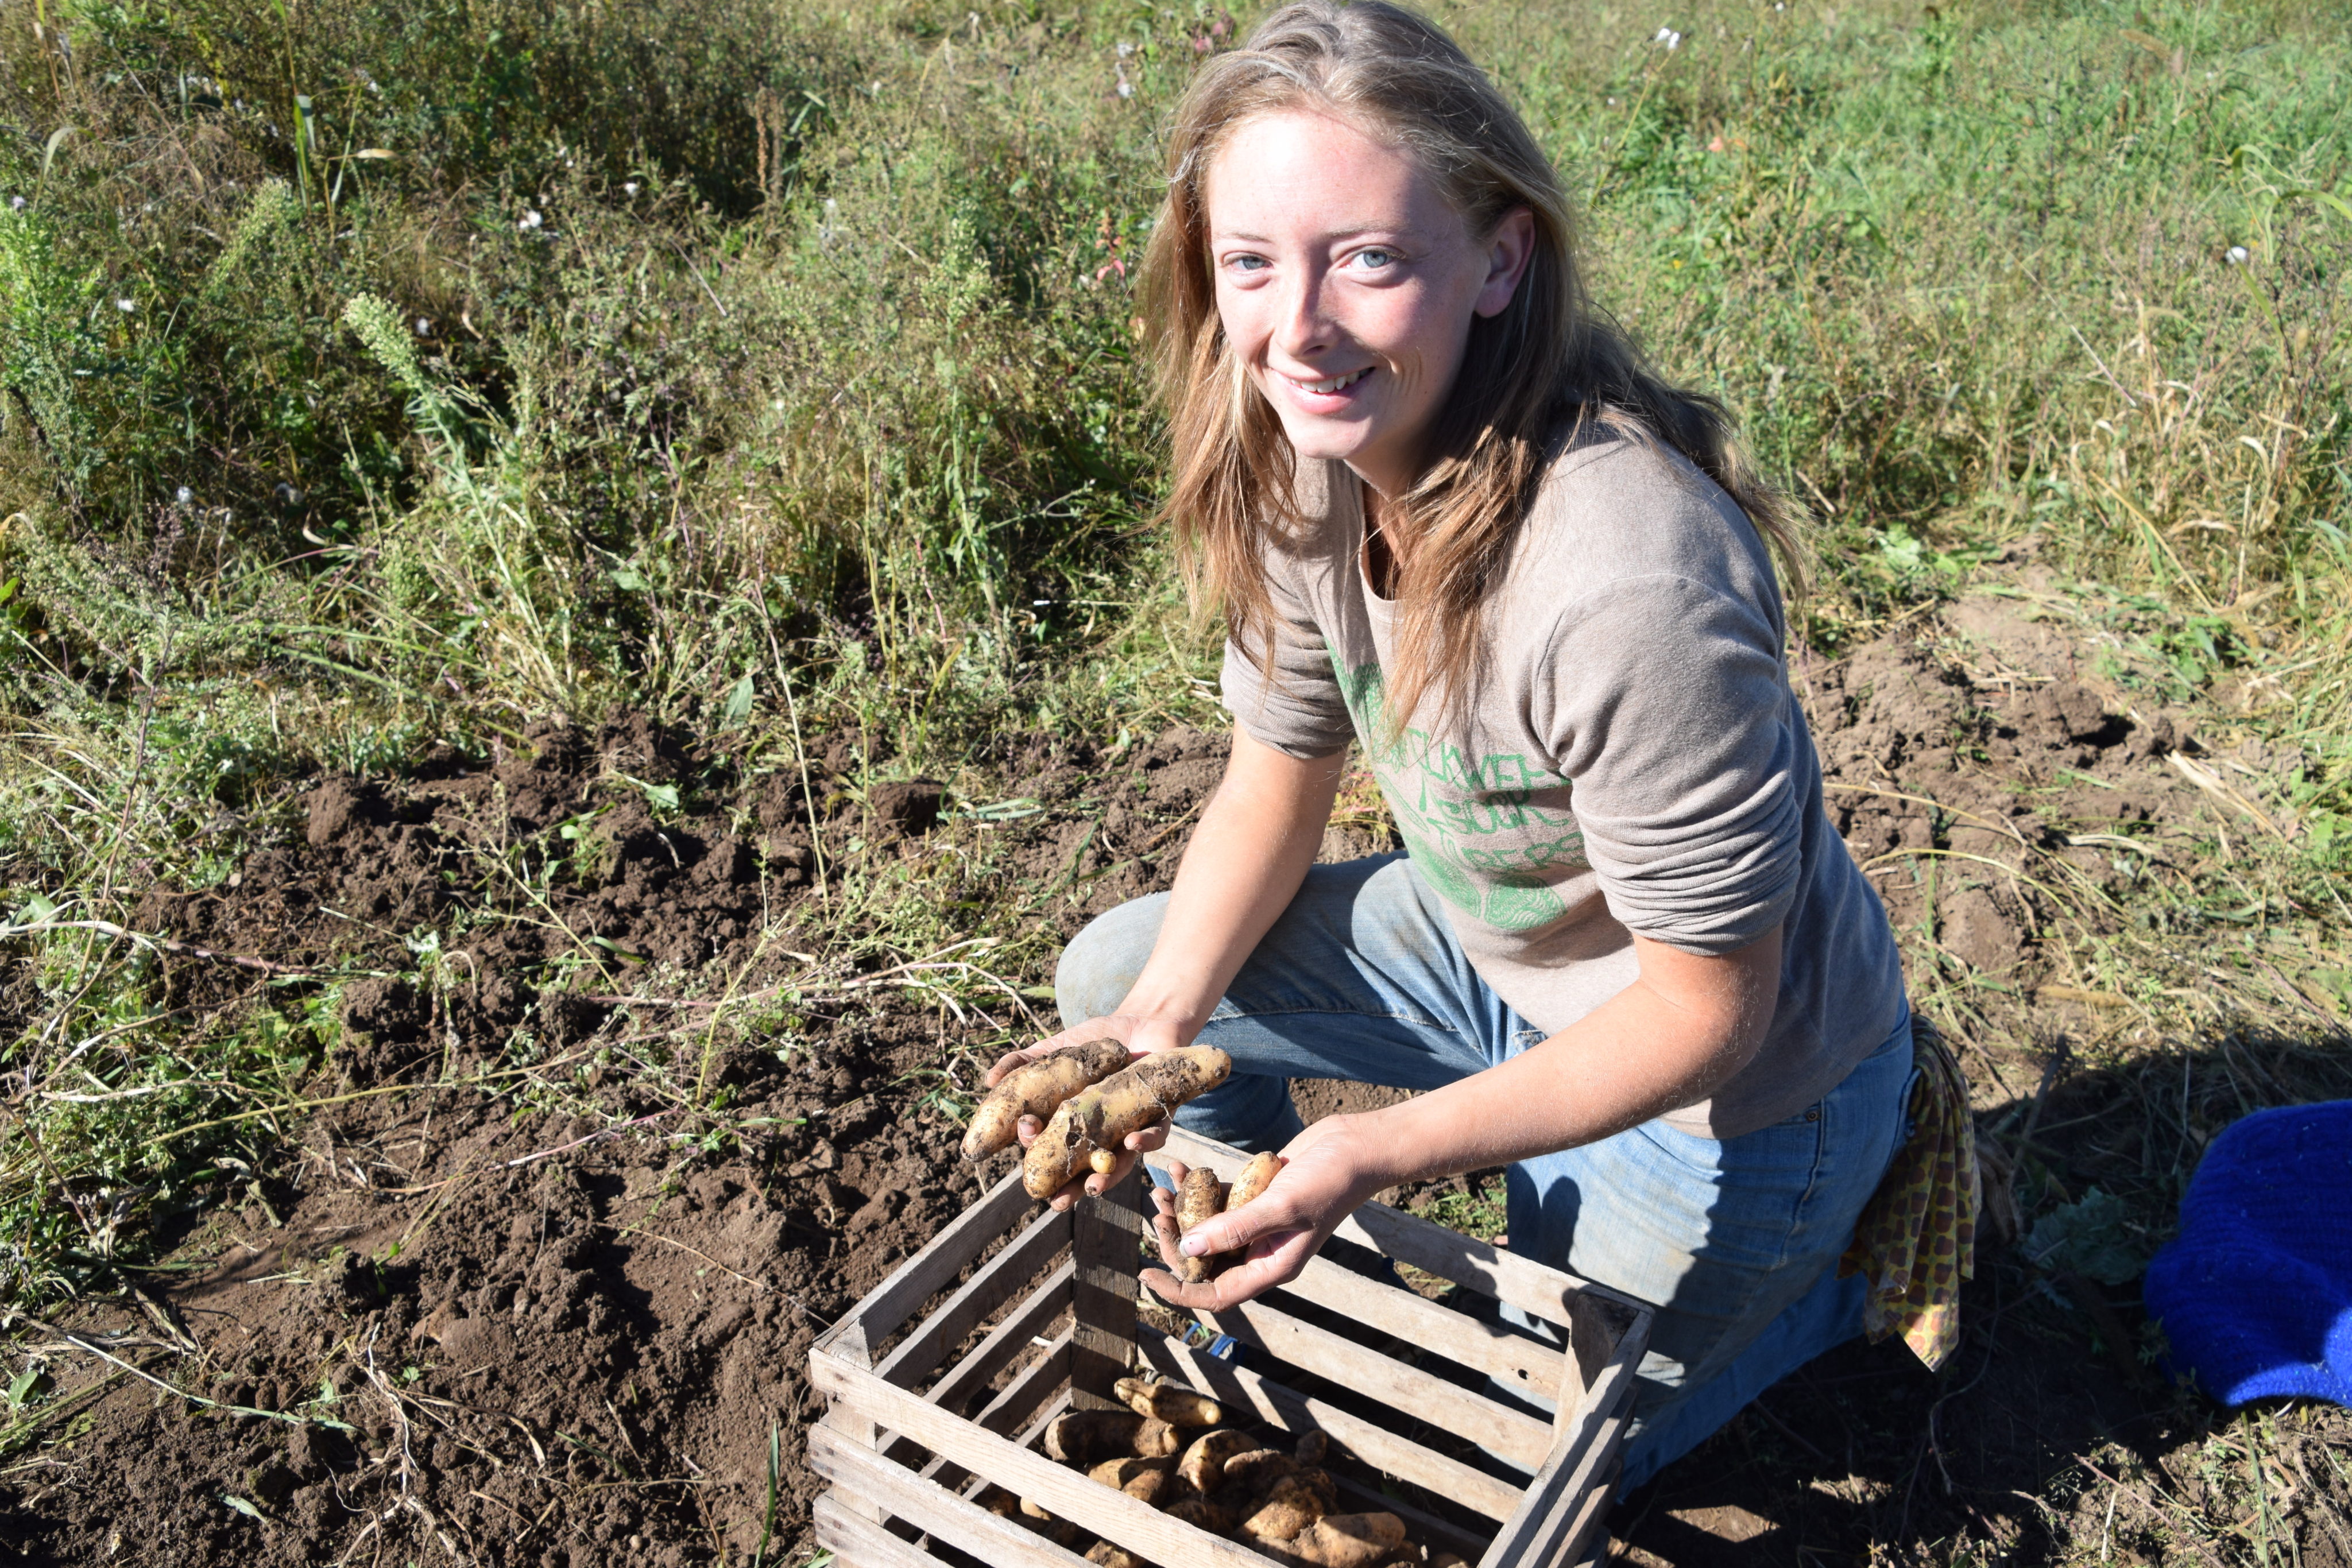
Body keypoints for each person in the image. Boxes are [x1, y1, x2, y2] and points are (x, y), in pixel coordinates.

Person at [987, 0, 1924, 1492]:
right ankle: (1299, 1256)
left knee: (1470, 1467)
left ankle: (1828, 1282)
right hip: (1503, 956)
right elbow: (1274, 780)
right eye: (1252, 263)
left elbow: (1706, 1011)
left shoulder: (1628, 580)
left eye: (1367, 257)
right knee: (1118, 974)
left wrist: (1375, 1148)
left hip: (1723, 1090)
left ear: (1500, 258)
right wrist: (1158, 1024)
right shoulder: (1316, 450)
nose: (1297, 326)